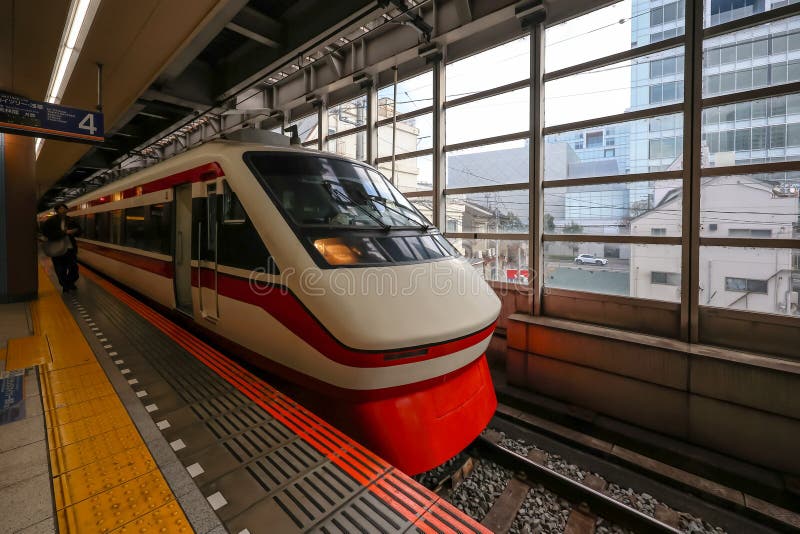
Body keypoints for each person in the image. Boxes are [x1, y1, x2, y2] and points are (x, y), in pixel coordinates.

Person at [40, 203, 81, 292]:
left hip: (70, 248)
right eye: (60, 209)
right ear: (57, 211)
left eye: (64, 208)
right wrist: (64, 233)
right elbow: (46, 233)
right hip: (57, 249)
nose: (63, 210)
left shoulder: (71, 220)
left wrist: (75, 231)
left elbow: (80, 230)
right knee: (60, 269)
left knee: (74, 268)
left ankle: (70, 282)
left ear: (67, 210)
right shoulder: (50, 221)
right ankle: (65, 285)